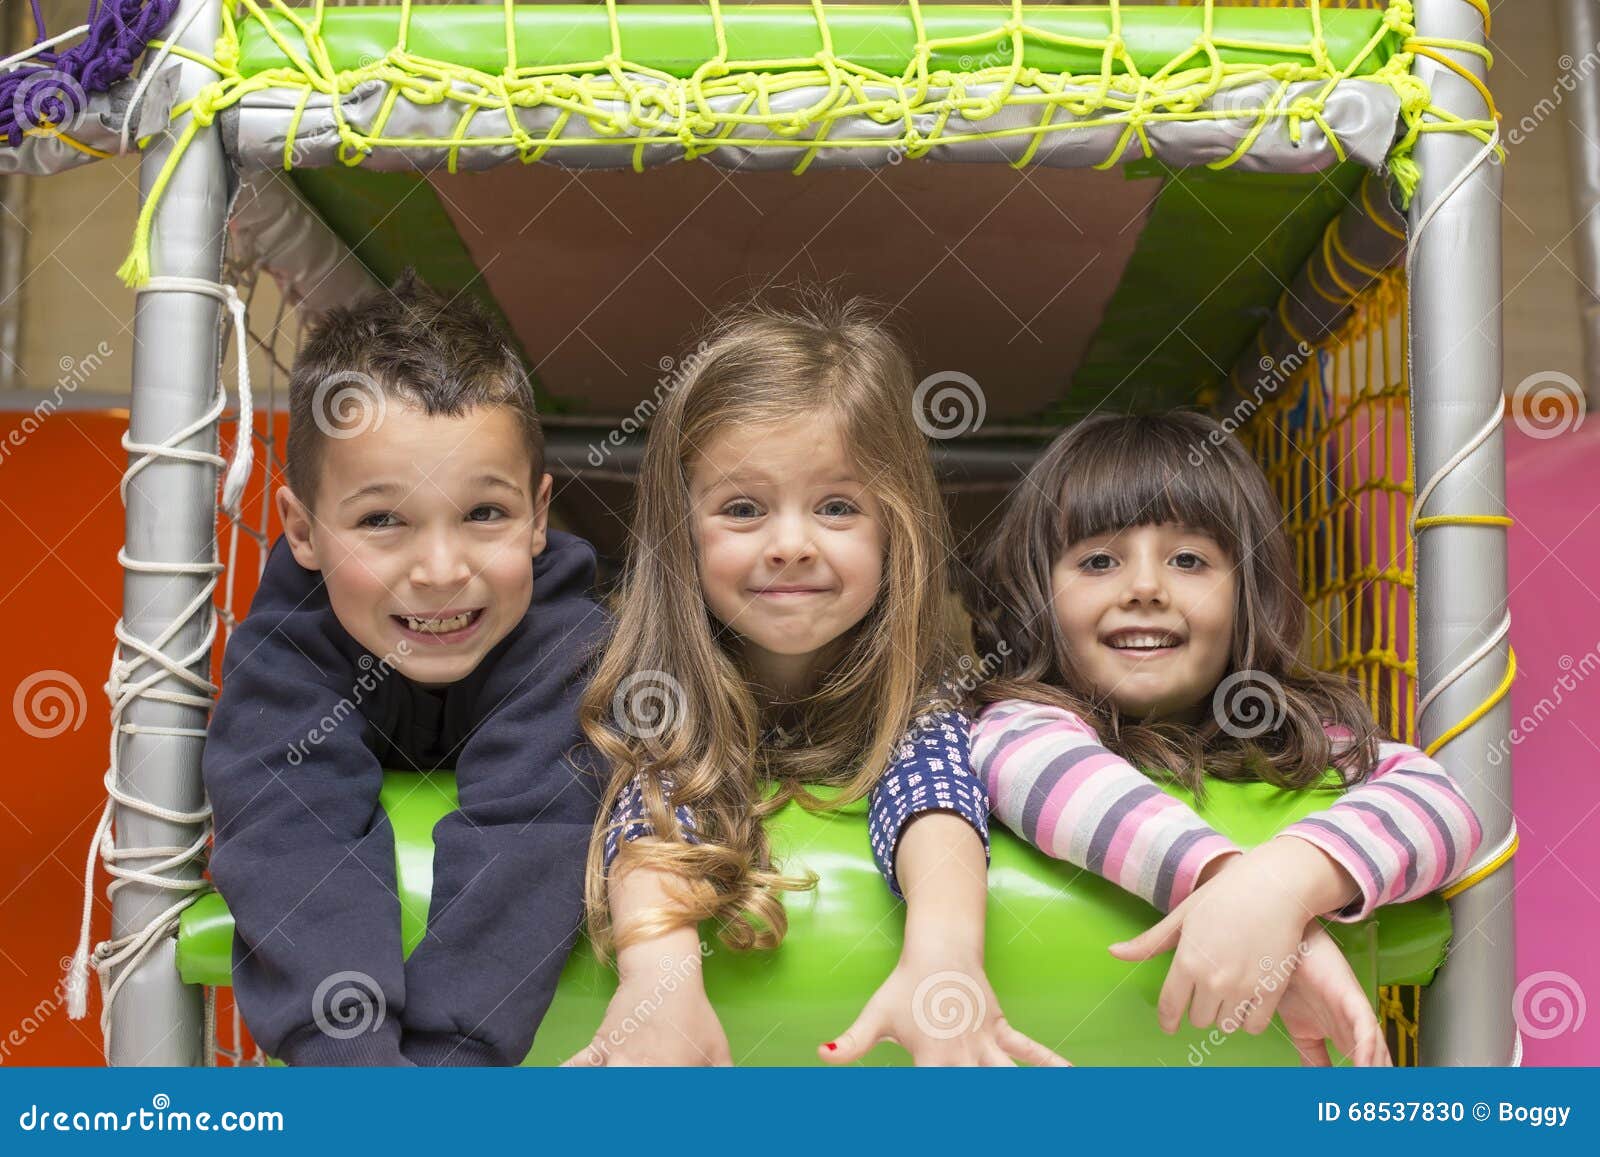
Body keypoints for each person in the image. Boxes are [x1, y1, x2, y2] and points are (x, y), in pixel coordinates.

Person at [567, 292, 1066, 1067]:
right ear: (680, 533)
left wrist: (944, 956)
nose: (791, 543)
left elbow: (932, 785)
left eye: (836, 506)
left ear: (895, 530)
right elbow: (654, 793)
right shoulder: (654, 685)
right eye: (743, 508)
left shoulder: (920, 686)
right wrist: (658, 977)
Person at [964, 411, 1484, 1065]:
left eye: (1189, 559)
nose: (1146, 587)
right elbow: (1031, 768)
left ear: (1247, 592)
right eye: (1098, 560)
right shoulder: (1018, 721)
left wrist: (1285, 884)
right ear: (1040, 594)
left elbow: (1443, 802)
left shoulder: (1297, 739)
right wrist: (1222, 877)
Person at [203, 271, 607, 1066]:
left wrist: (448, 1072)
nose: (440, 568)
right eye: (383, 520)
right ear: (303, 530)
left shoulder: (572, 644)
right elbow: (291, 832)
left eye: (485, 513)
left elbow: (536, 833)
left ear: (538, 517)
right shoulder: (289, 646)